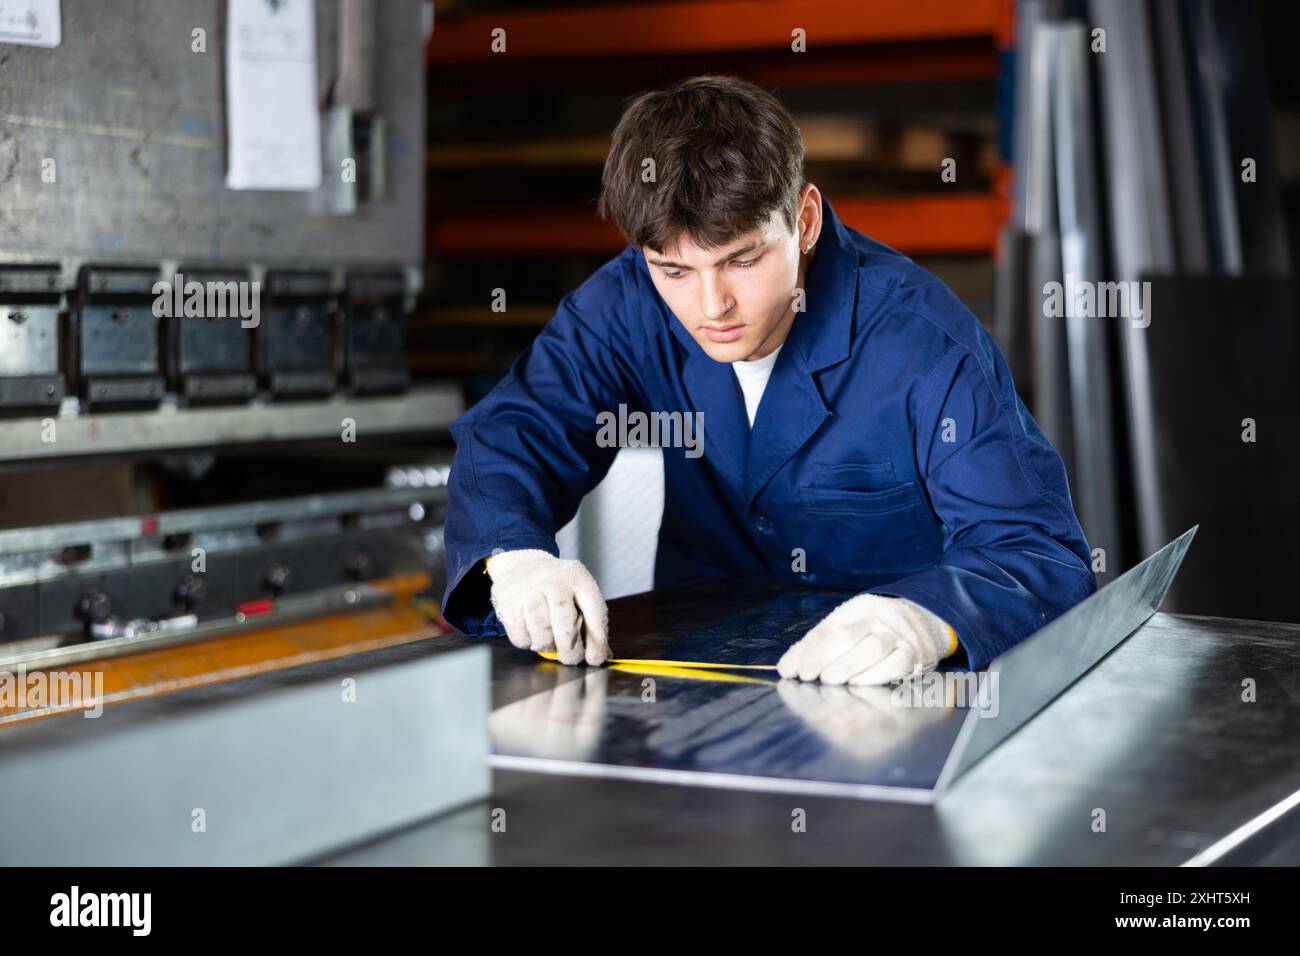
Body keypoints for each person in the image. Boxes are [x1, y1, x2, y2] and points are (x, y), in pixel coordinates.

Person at [441, 75, 1096, 685]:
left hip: (885, 700)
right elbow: (517, 431)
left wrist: (930, 618)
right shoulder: (629, 301)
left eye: (742, 260)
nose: (711, 306)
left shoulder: (924, 342)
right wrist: (512, 555)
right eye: (674, 271)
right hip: (690, 684)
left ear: (804, 221)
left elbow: (1036, 551)